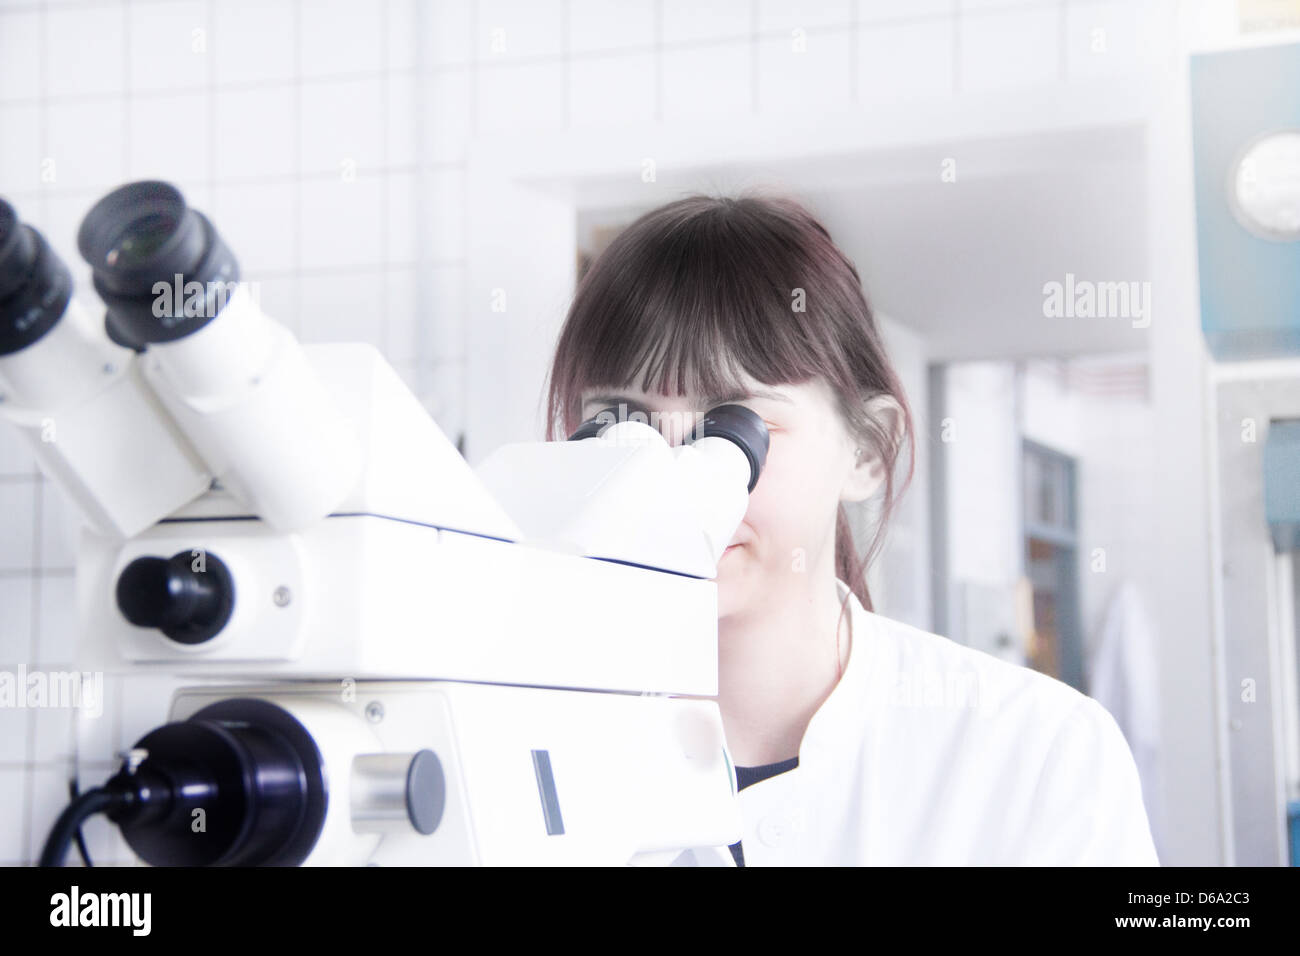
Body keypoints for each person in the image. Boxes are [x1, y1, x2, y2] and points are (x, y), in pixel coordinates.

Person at [543, 191, 1160, 866]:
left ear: (868, 451)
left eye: (734, 427)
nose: (670, 476)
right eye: (621, 423)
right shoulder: (524, 730)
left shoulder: (1036, 755)